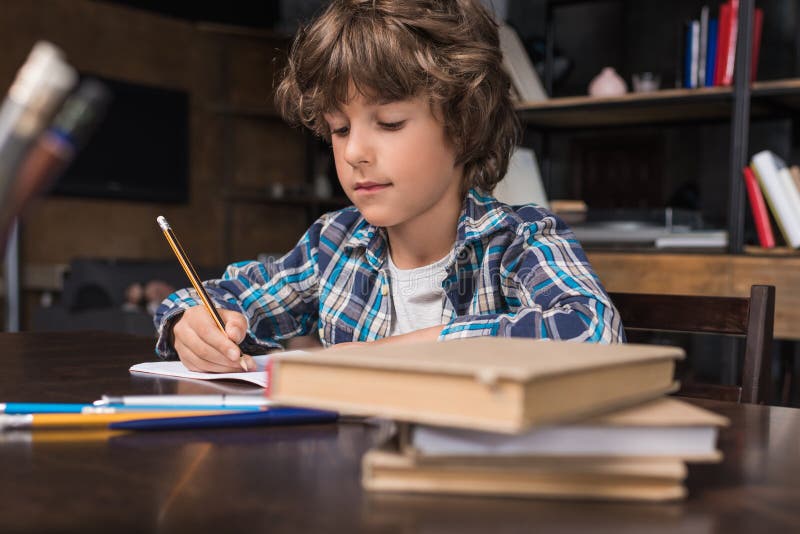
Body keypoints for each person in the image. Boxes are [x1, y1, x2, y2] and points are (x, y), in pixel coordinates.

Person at [154, 0, 625, 372]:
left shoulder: (521, 240)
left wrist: (397, 351)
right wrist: (194, 326)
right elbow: (222, 298)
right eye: (339, 129)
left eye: (390, 122)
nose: (355, 151)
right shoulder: (334, 245)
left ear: (464, 125)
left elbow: (592, 332)